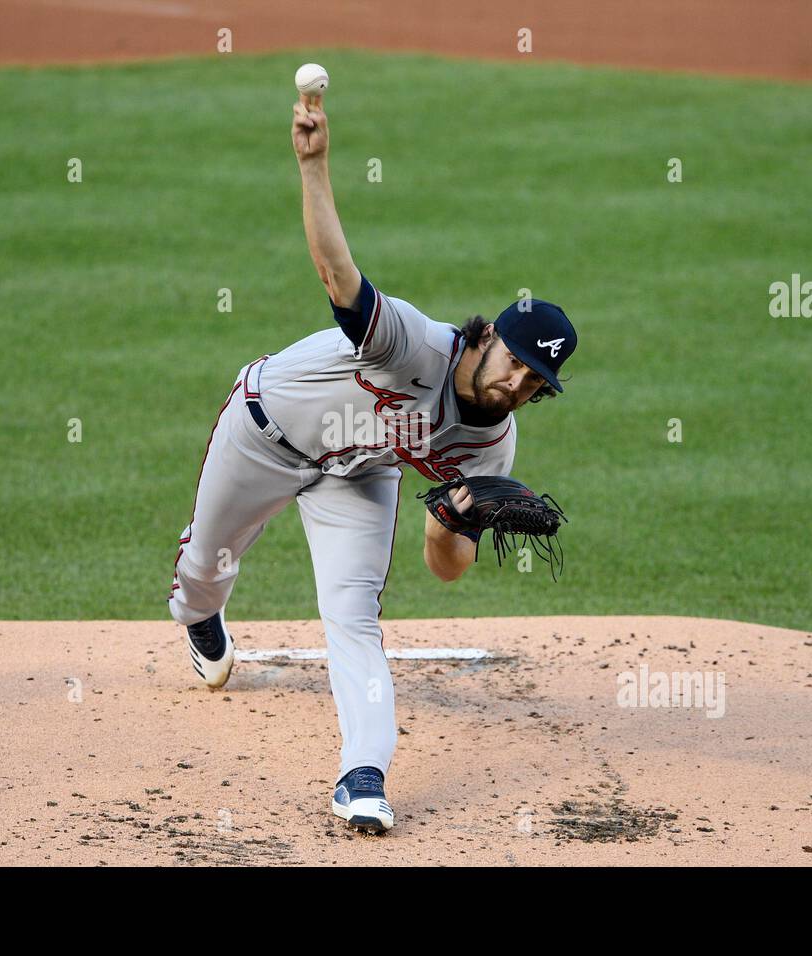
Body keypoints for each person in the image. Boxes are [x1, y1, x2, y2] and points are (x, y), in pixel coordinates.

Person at [166, 91, 577, 834]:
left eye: (533, 383)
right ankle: (200, 618)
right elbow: (337, 272)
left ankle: (363, 775)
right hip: (263, 433)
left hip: (356, 476)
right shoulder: (413, 343)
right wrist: (315, 164)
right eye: (514, 362)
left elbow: (446, 567)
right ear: (487, 338)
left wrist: (455, 518)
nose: (516, 384)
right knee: (203, 569)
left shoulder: (491, 446)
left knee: (354, 619)